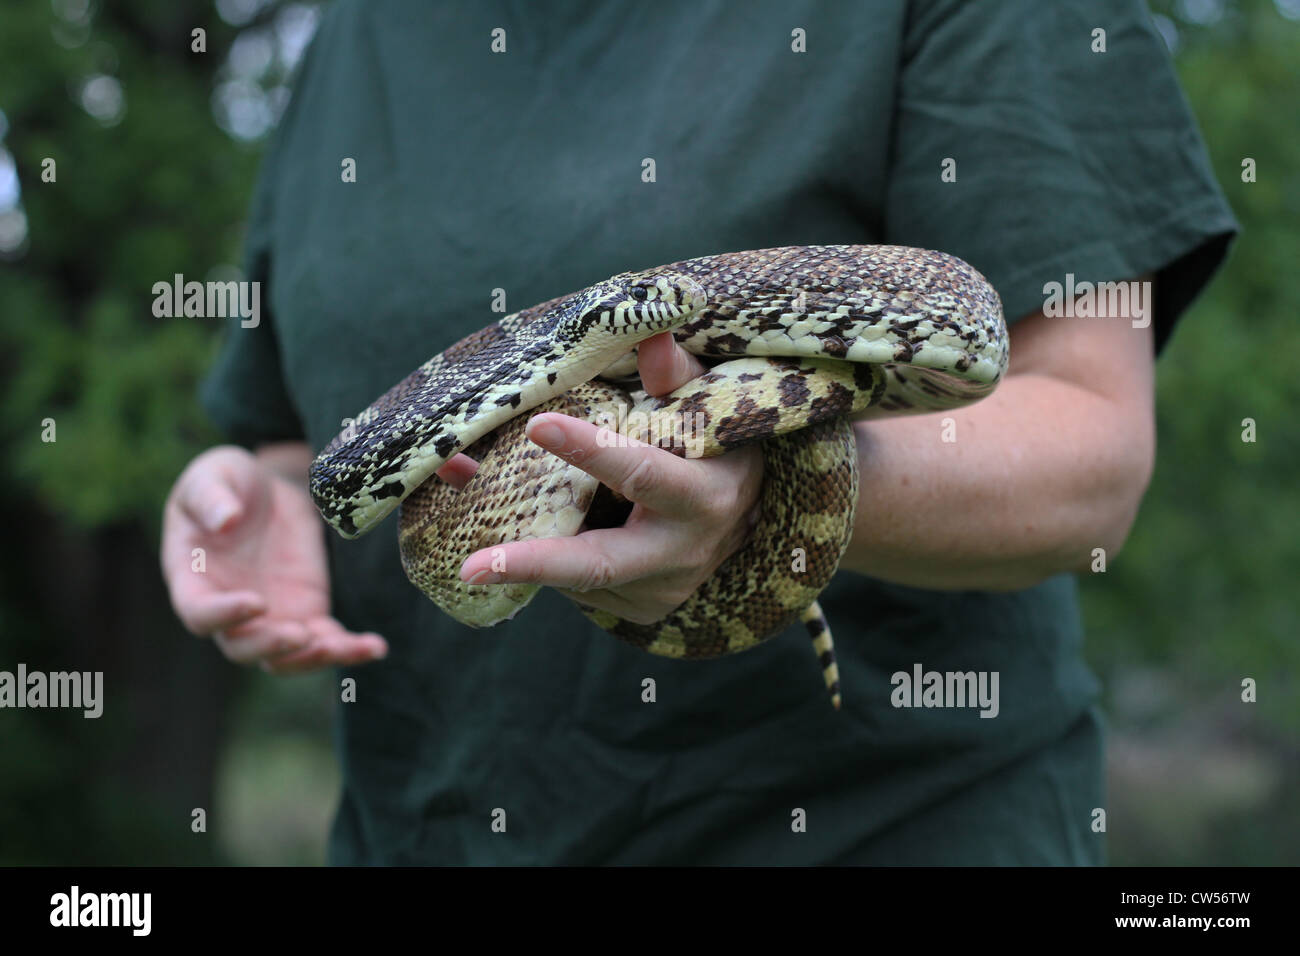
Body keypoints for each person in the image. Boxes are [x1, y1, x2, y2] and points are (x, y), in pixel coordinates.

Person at [161, 0, 1237, 864]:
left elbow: (1091, 453)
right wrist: (262, 499)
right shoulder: (356, 31)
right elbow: (311, 446)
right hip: (420, 825)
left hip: (879, 828)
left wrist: (767, 485)